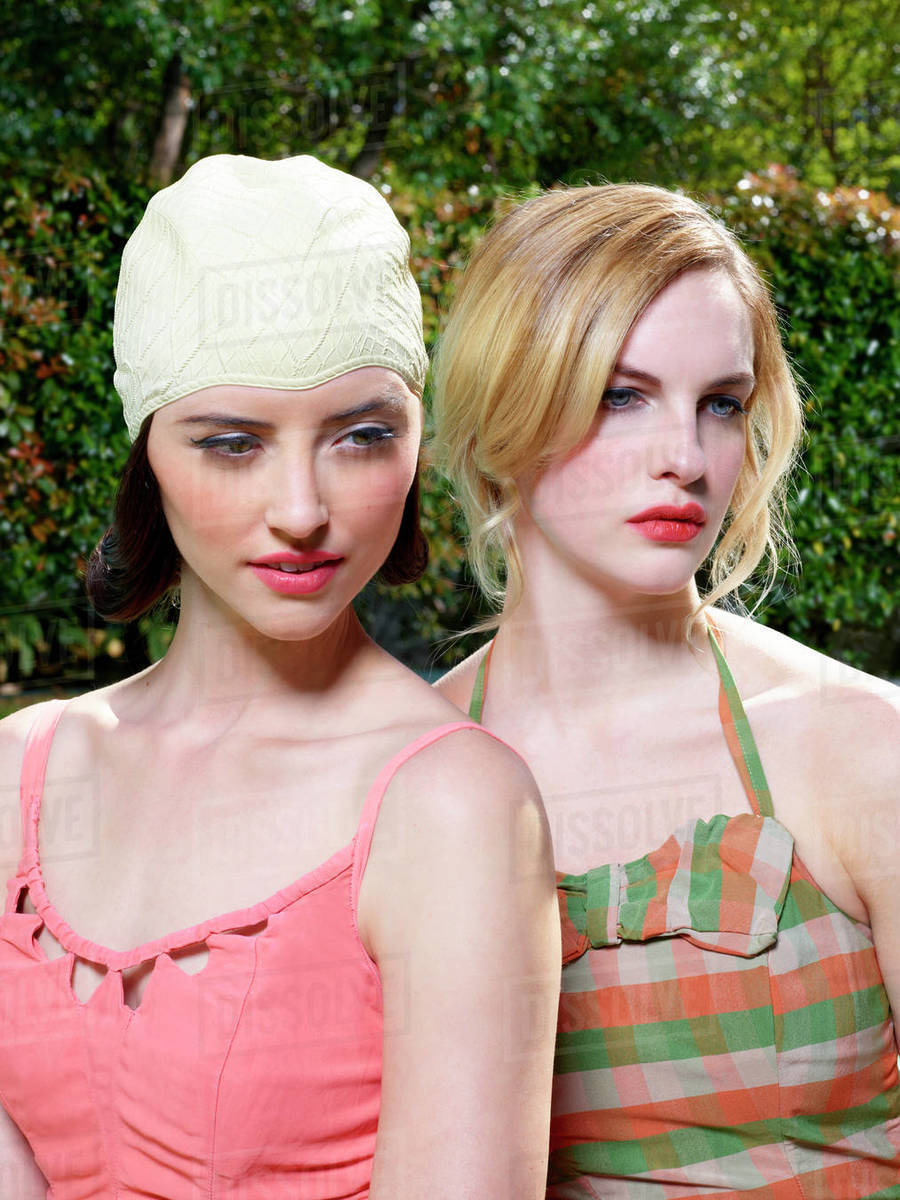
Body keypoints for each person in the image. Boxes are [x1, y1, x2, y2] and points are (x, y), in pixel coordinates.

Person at [0, 154, 560, 1200]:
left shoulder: (451, 805)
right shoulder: (21, 772)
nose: (301, 507)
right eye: (232, 443)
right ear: (148, 454)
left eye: (360, 437)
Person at [432, 183, 900, 1198]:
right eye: (620, 394)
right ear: (509, 401)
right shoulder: (398, 774)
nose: (686, 459)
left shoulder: (861, 748)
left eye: (721, 404)